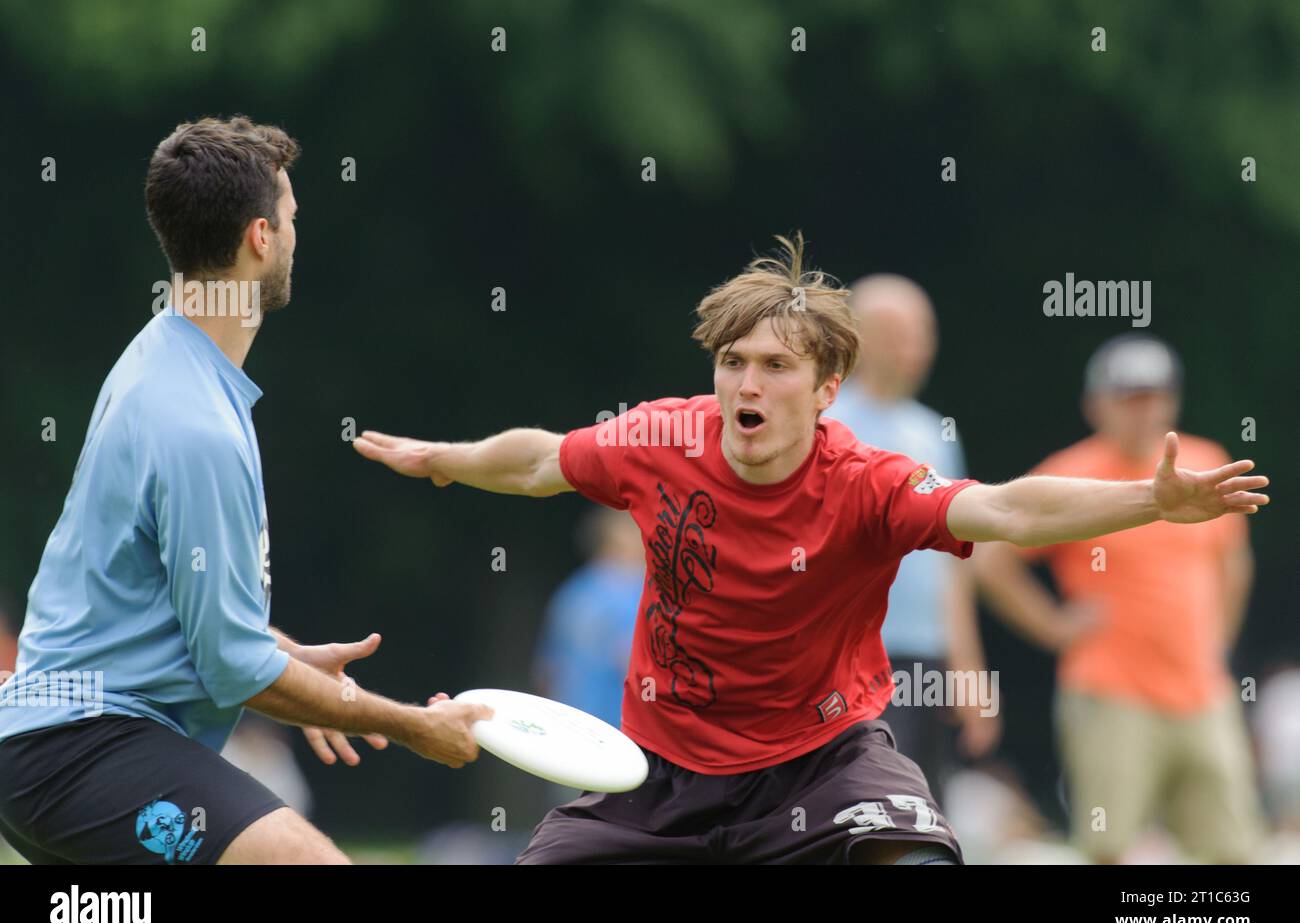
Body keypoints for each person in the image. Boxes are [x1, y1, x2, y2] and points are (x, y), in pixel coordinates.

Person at [354, 236, 1270, 865]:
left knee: (917, 856)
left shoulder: (868, 480)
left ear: (828, 386)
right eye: (732, 362)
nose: (746, 383)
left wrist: (1149, 498)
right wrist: (445, 459)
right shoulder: (659, 438)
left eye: (776, 366)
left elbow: (1009, 513)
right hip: (662, 768)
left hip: (825, 759)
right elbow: (540, 462)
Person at [0, 116, 490, 866]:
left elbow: (172, 609)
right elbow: (232, 667)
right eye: (292, 216)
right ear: (260, 236)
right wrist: (407, 725)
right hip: (82, 749)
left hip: (73, 741)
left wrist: (286, 655)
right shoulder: (195, 421)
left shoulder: (166, 352)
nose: (299, 232)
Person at [975, 334, 1266, 863]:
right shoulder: (1069, 472)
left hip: (1203, 689)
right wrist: (1053, 627)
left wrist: (1215, 641)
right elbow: (991, 560)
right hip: (1110, 688)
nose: (1144, 409)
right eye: (1128, 396)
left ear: (1172, 401)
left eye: (1154, 395)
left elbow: (1234, 563)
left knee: (1231, 850)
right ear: (1096, 405)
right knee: (1108, 847)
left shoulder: (1207, 464)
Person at [827, 274, 998, 807]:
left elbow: (954, 563)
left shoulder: (933, 432)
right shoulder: (826, 422)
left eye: (925, 332)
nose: (919, 348)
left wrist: (968, 671)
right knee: (859, 805)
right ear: (862, 338)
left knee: (922, 805)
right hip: (847, 655)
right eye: (901, 334)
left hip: (926, 659)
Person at [534, 508, 645, 728]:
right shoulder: (633, 592)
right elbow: (634, 662)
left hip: (568, 725)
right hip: (617, 732)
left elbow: (546, 672)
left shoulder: (571, 591)